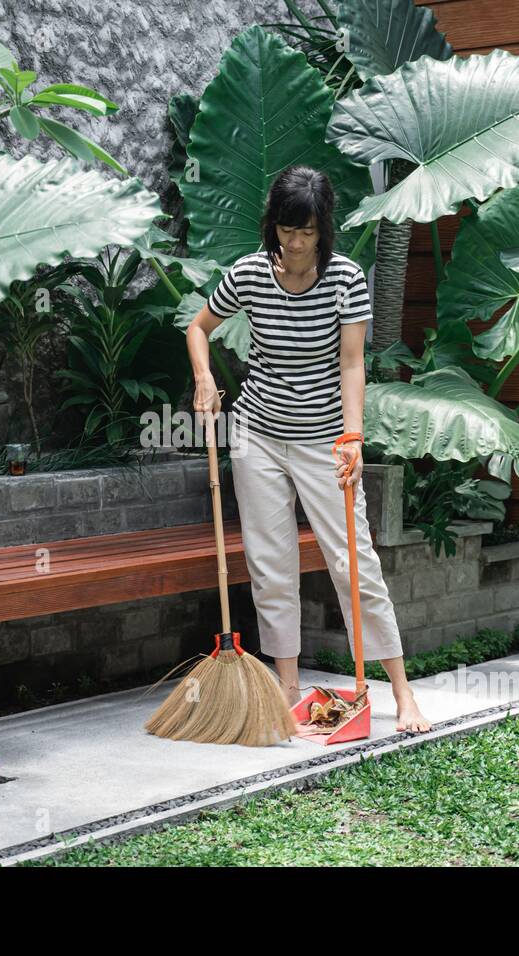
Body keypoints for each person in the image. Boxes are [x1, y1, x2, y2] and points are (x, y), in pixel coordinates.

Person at [185, 164, 432, 734]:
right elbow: (199, 327)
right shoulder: (248, 273)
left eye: (307, 232)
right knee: (272, 566)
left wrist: (353, 437)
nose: (294, 243)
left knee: (355, 565)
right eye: (285, 230)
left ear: (324, 231)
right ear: (272, 224)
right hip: (257, 436)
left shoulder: (345, 278)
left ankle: (402, 694)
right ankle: (289, 694)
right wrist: (203, 376)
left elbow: (351, 364)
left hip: (325, 438)